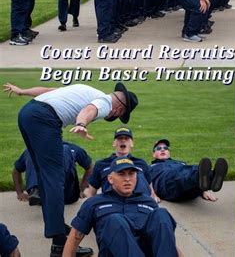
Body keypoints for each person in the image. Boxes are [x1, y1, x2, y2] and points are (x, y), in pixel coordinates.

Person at [3, 82, 138, 257]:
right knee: (54, 179)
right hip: (44, 119)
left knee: (44, 175)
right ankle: (59, 244)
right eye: (119, 114)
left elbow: (48, 91)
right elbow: (89, 110)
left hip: (27, 113)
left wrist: (22, 91)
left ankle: (55, 225)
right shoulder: (106, 103)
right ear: (120, 109)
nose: (114, 115)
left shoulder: (89, 90)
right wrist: (82, 123)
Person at [63, 158, 181, 257]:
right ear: (110, 179)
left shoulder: (149, 202)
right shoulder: (94, 203)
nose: (127, 179)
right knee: (115, 220)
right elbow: (74, 238)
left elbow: (166, 239)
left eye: (131, 174)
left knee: (161, 214)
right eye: (121, 174)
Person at [13, 141, 93, 206]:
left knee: (65, 149)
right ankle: (35, 190)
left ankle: (54, 190)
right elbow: (16, 170)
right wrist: (19, 193)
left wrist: (83, 189)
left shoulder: (72, 148)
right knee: (32, 151)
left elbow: (89, 167)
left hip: (66, 194)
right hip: (42, 196)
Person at [87, 127, 156, 199]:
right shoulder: (101, 164)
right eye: (119, 138)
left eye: (126, 138)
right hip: (112, 204)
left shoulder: (141, 163)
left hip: (138, 203)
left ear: (132, 143)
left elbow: (150, 189)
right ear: (114, 143)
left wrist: (153, 199)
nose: (123, 140)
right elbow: (91, 193)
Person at [150, 139, 228, 202]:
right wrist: (152, 194)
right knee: (181, 174)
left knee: (192, 170)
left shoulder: (180, 162)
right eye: (159, 148)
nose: (163, 150)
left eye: (166, 148)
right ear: (153, 154)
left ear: (169, 152)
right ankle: (212, 177)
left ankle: (208, 182)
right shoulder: (150, 167)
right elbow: (143, 180)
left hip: (189, 192)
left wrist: (203, 191)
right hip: (169, 187)